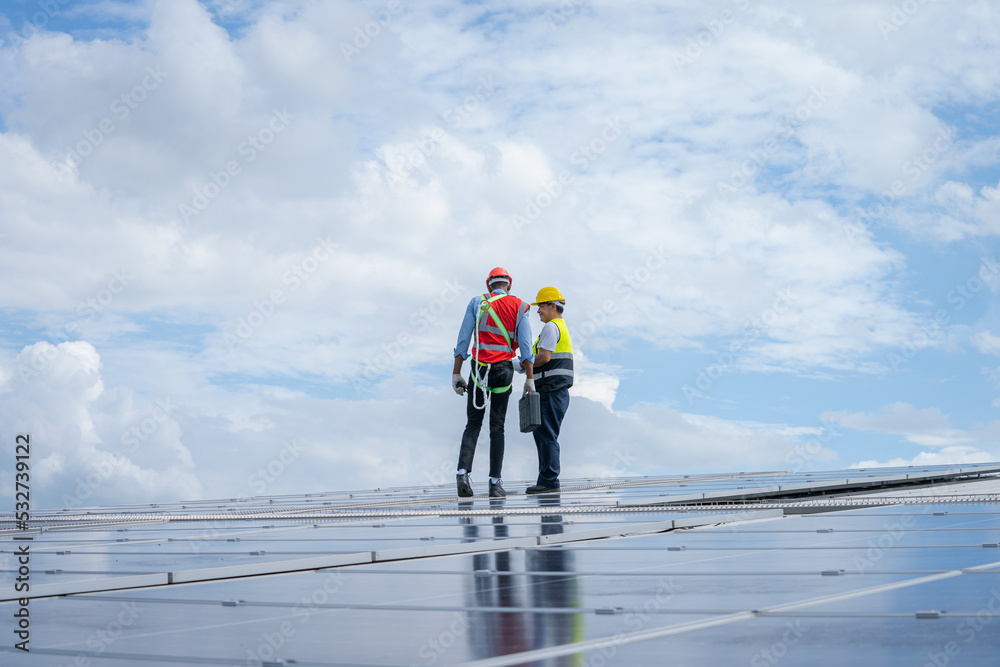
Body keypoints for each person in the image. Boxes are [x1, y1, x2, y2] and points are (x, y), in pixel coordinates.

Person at [452, 267, 534, 498]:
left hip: (479, 369)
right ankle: (495, 484)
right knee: (497, 427)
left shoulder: (477, 303)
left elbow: (463, 339)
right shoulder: (521, 306)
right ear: (509, 284)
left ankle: (462, 474)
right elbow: (526, 348)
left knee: (473, 424)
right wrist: (529, 378)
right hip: (503, 371)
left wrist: (456, 373)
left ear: (489, 284)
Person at [525, 286, 573, 494]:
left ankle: (549, 481)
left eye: (541, 306)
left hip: (551, 390)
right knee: (544, 434)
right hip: (556, 390)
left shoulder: (551, 327)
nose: (538, 311)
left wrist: (522, 364)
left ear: (553, 306)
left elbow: (544, 357)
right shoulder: (559, 326)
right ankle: (546, 478)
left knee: (546, 435)